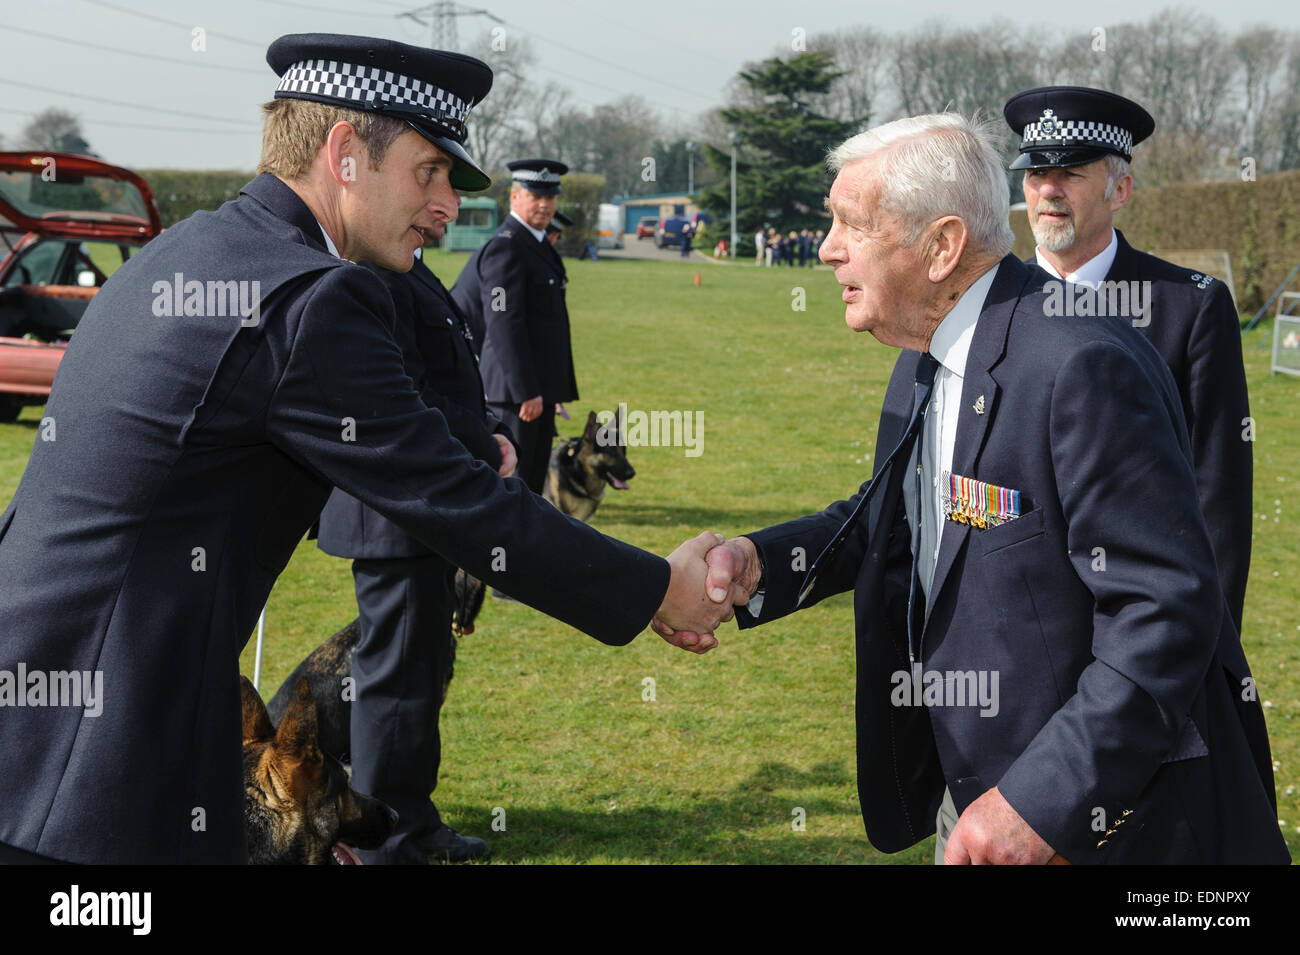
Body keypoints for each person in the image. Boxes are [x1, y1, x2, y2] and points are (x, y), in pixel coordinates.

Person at [0, 33, 732, 865]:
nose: (448, 205)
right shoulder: (313, 297)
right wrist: (656, 589)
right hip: (89, 775)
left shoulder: (191, 252)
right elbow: (459, 504)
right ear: (345, 154)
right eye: (429, 171)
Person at [656, 113, 1287, 865]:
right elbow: (895, 522)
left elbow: (1166, 612)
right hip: (977, 792)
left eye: (850, 224)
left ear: (942, 246)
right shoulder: (929, 348)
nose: (826, 249)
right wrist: (759, 562)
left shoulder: (1080, 365)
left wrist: (1044, 801)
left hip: (1100, 819)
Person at [1004, 86, 1253, 637]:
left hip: (1142, 620)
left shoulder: (1190, 305)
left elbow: (1218, 493)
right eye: (1034, 174)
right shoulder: (991, 303)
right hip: (1018, 626)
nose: (1047, 190)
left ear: (1120, 190)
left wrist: (1205, 647)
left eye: (1070, 174)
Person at [315, 232, 511, 864]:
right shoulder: (374, 273)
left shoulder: (409, 267)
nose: (446, 207)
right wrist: (487, 446)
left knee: (421, 674)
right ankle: (383, 841)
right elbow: (409, 396)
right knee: (394, 681)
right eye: (430, 182)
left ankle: (415, 820)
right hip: (391, 512)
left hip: (420, 509)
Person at [451, 158, 574, 495]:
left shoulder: (534, 245)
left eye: (550, 198)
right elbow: (503, 321)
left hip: (536, 391)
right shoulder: (507, 248)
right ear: (515, 197)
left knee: (531, 488)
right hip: (516, 396)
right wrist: (525, 389)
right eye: (536, 196)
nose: (545, 205)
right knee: (515, 489)